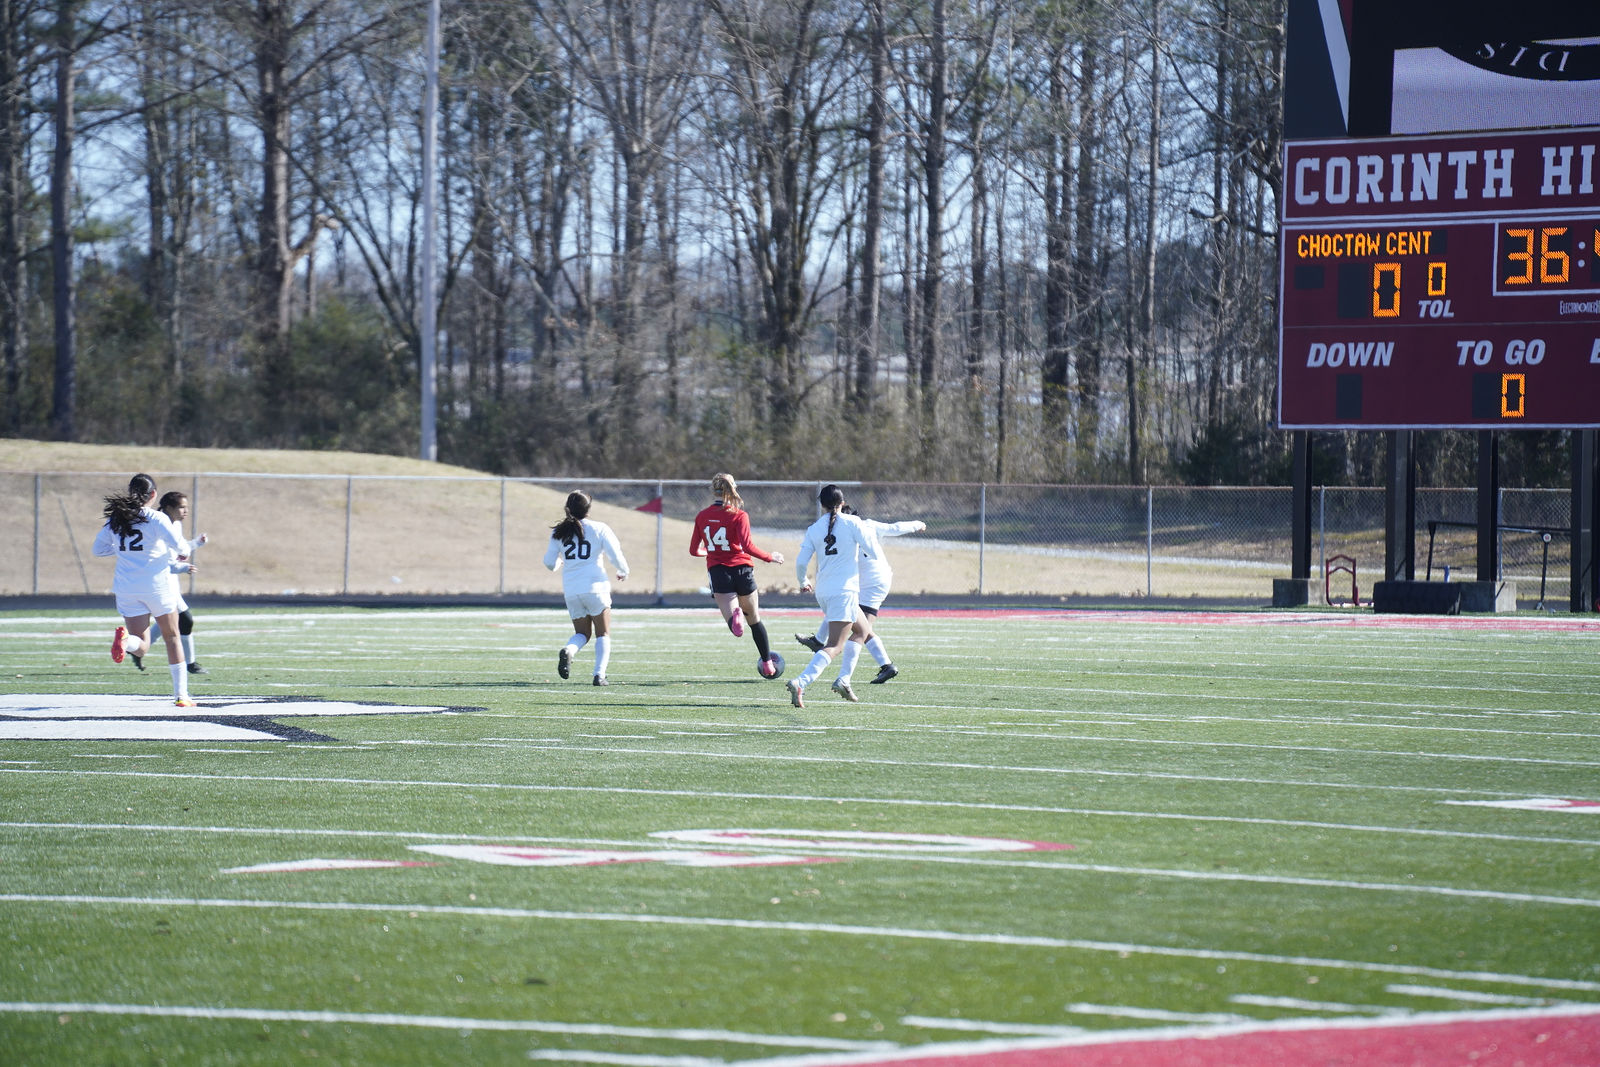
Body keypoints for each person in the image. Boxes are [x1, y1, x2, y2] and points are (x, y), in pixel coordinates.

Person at [90, 473, 196, 707]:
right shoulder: (157, 518)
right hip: (156, 586)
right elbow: (181, 548)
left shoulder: (117, 520)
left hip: (126, 588)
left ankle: (126, 642)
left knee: (141, 646)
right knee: (172, 638)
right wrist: (181, 552)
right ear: (153, 495)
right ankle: (181, 696)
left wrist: (123, 552)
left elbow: (98, 550)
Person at [796, 505, 925, 684]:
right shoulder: (864, 525)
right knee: (850, 616)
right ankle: (884, 665)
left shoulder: (850, 528)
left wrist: (916, 524)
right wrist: (917, 524)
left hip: (872, 583)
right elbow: (894, 528)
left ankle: (847, 675)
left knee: (858, 627)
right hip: (873, 580)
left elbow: (892, 529)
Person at [786, 484, 879, 707]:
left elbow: (800, 562)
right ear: (842, 502)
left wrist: (803, 581)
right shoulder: (853, 522)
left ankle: (844, 680)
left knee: (864, 630)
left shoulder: (814, 528)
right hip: (844, 591)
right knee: (835, 645)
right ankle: (802, 681)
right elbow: (872, 549)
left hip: (825, 591)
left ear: (822, 505)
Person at [689, 472, 786, 677]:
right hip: (742, 569)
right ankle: (768, 664)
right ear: (733, 488)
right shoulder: (740, 515)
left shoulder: (701, 516)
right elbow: (747, 546)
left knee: (735, 628)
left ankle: (735, 616)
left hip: (718, 571)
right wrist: (770, 557)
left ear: (713, 490)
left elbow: (693, 550)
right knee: (755, 619)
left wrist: (712, 551)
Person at [543, 490, 629, 686]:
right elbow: (615, 555)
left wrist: (559, 564)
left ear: (568, 508)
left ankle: (569, 650)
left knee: (582, 634)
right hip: (596, 587)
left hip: (572, 590)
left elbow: (549, 562)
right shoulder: (600, 528)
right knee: (603, 633)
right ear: (588, 508)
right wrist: (623, 571)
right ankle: (599, 675)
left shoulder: (558, 531)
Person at [156, 490, 210, 675]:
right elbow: (160, 560)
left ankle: (136, 647)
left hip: (171, 581)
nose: (185, 511)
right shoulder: (159, 526)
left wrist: (196, 543)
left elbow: (180, 549)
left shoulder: (175, 524)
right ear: (168, 508)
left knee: (169, 621)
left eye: (186, 507)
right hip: (160, 580)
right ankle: (190, 663)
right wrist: (181, 567)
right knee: (185, 620)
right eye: (181, 507)